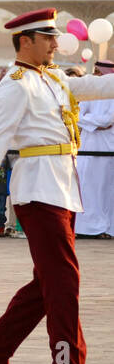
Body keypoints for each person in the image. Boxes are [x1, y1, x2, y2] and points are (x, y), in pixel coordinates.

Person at [0, 9, 114, 364]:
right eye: (47, 37)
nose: (54, 43)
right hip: (38, 189)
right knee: (64, 282)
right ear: (25, 41)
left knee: (49, 282)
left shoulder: (53, 77)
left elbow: (95, 87)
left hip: (60, 187)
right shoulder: (15, 86)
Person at [75, 59, 114, 238]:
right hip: (88, 147)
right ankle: (87, 228)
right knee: (86, 187)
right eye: (95, 72)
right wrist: (96, 124)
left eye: (99, 72)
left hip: (107, 147)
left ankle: (105, 227)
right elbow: (77, 116)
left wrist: (91, 120)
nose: (96, 75)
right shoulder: (90, 91)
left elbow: (108, 120)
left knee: (105, 188)